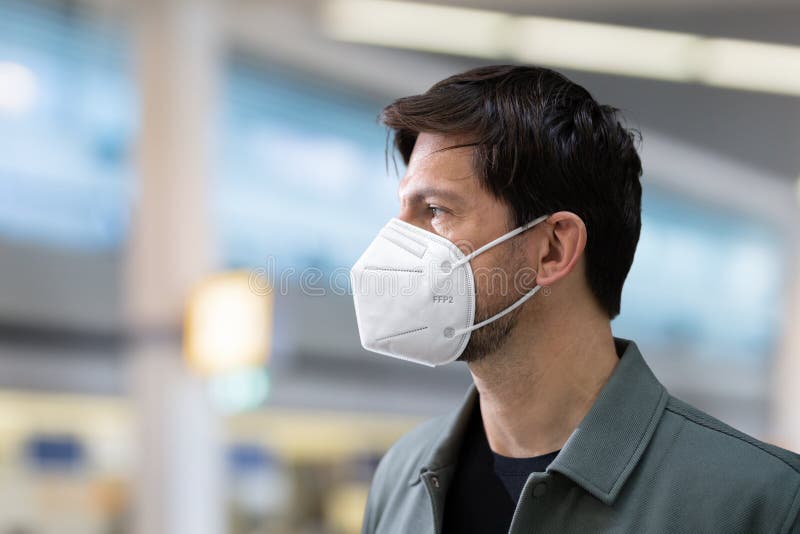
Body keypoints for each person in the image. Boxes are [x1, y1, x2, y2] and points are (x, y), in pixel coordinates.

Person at [350, 65, 800, 534]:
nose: (397, 242)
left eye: (436, 210)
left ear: (552, 249)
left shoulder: (760, 504)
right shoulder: (402, 478)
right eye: (403, 210)